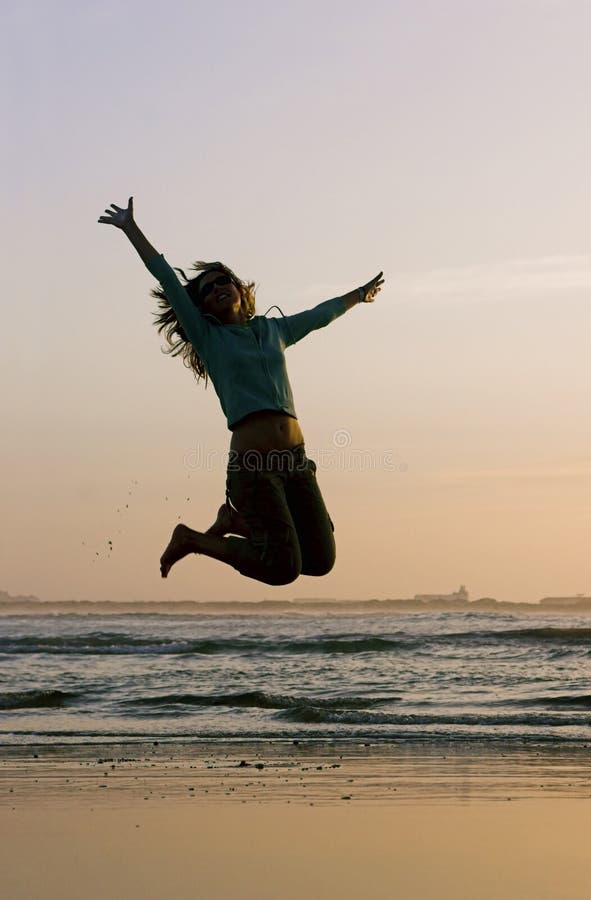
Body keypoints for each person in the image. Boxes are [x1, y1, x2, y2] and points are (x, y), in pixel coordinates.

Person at [99, 197, 383, 584]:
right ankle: (191, 539)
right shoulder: (209, 339)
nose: (217, 287)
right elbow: (166, 277)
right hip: (253, 468)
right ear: (202, 308)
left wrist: (360, 296)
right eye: (207, 289)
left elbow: (322, 314)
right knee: (283, 569)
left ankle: (235, 521)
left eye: (223, 280)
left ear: (238, 288)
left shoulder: (273, 330)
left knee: (319, 560)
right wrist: (131, 228)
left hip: (296, 463)